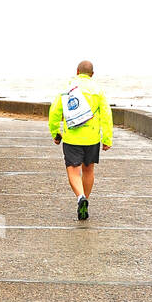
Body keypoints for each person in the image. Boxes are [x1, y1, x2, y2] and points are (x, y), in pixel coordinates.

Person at [48, 61, 113, 221]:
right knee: (88, 170)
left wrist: (56, 132)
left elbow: (55, 111)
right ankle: (86, 200)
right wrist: (107, 138)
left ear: (77, 71)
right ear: (92, 74)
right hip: (91, 137)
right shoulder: (98, 90)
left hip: (72, 137)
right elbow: (106, 115)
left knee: (73, 171)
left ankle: (80, 197)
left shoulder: (68, 88)